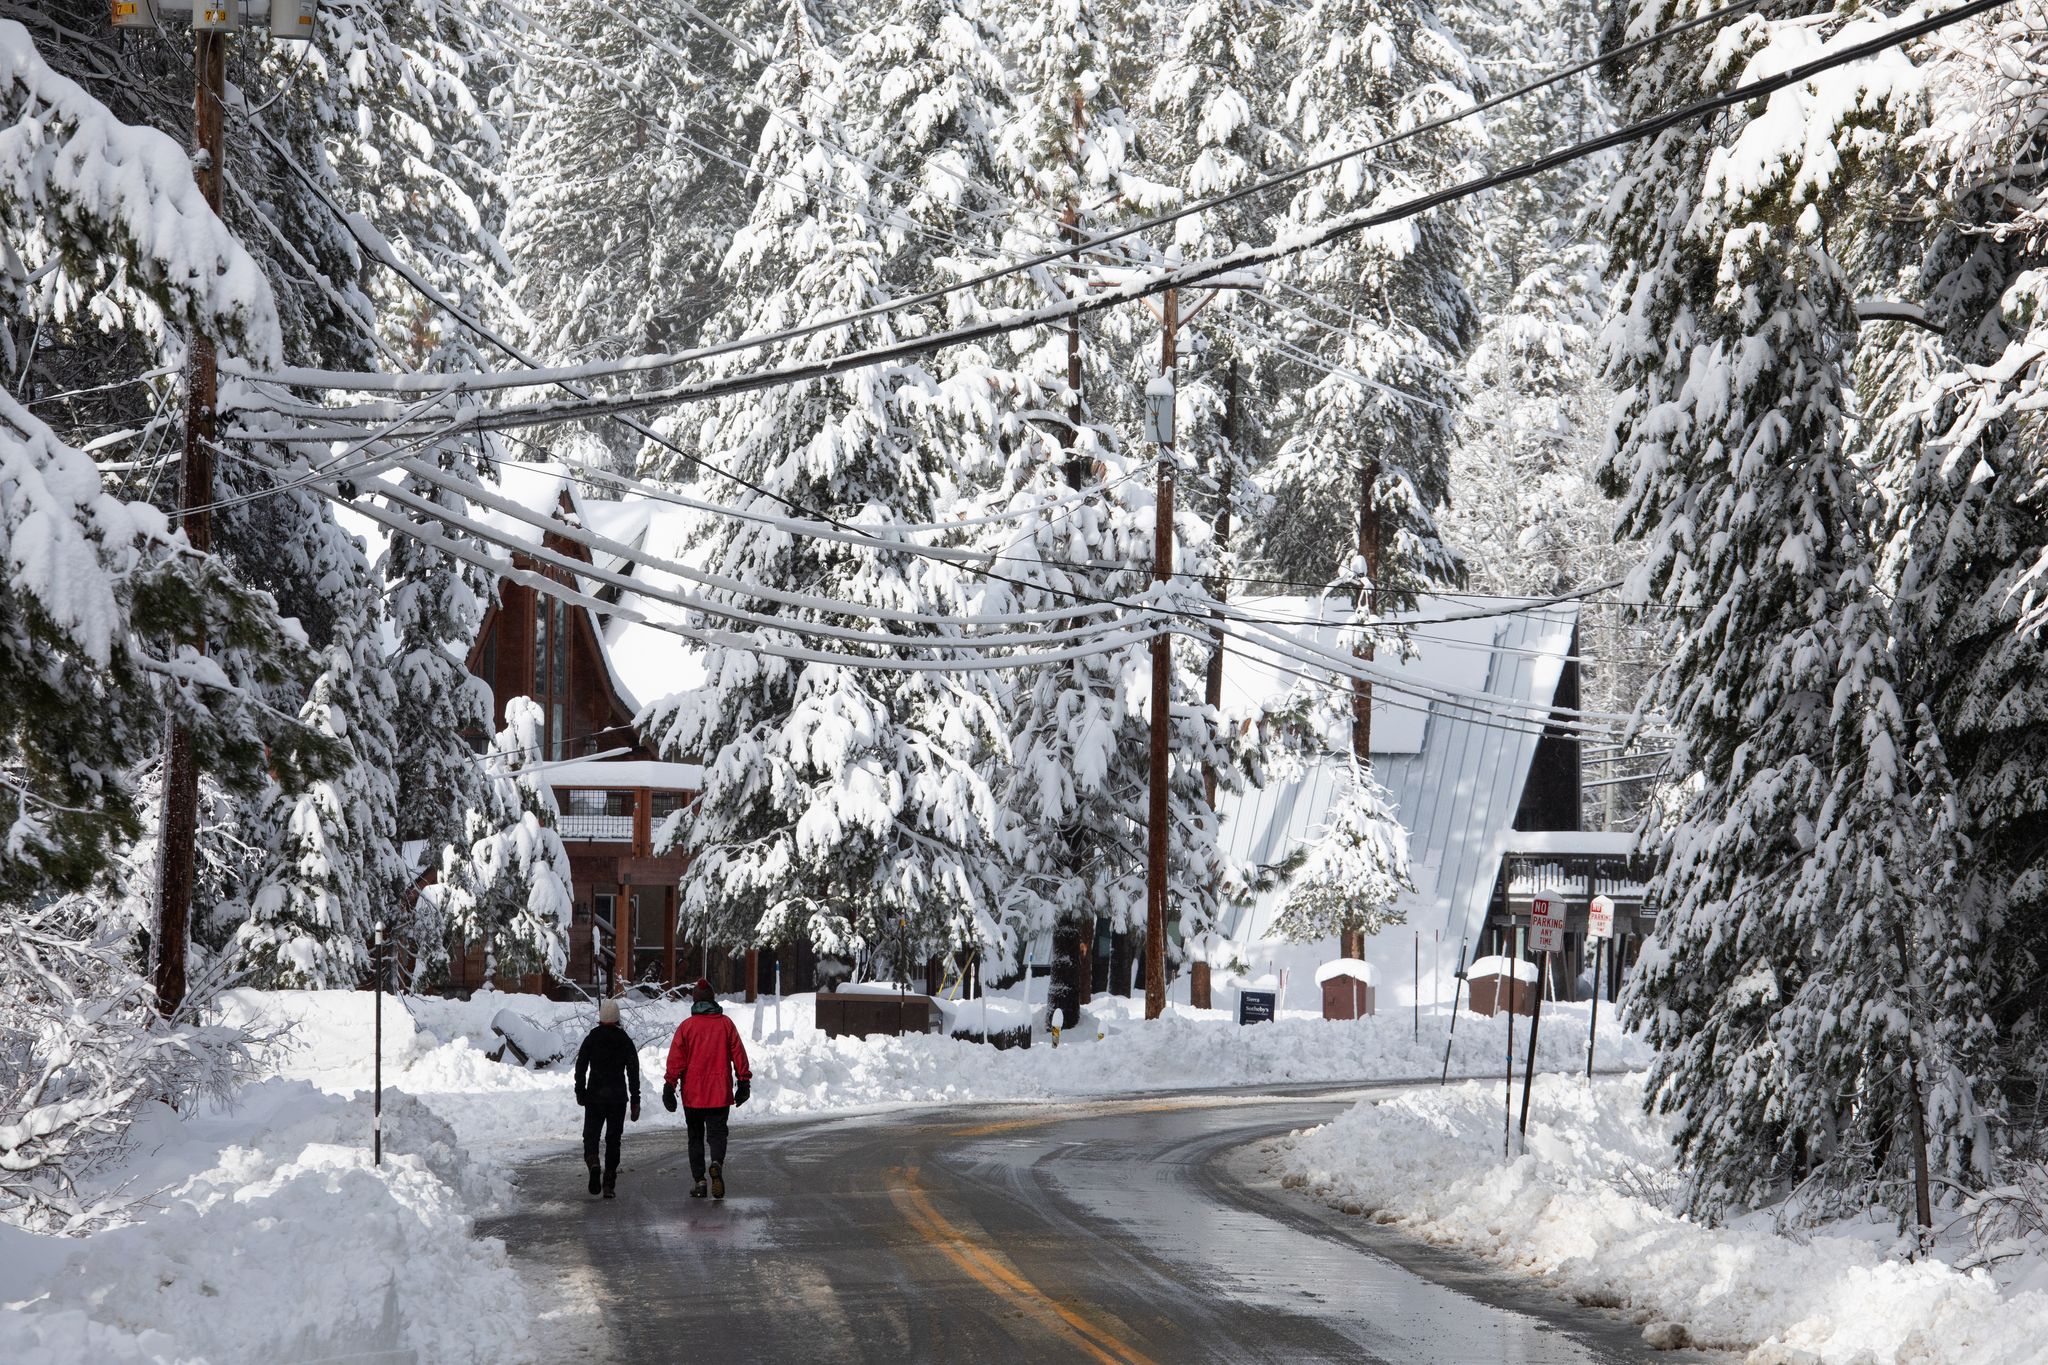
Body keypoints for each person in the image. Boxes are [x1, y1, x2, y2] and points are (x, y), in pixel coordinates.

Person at [662, 978, 751, 1199]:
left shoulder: (686, 1027)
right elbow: (738, 1054)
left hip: (692, 1095)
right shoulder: (725, 1024)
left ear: (695, 1001)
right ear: (713, 999)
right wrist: (743, 1081)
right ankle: (716, 1163)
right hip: (719, 1093)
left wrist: (669, 1086)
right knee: (718, 1134)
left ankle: (700, 1181)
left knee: (695, 1137)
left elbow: (676, 1060)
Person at [574, 997, 640, 1199]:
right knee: (613, 1140)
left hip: (595, 1096)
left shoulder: (592, 1038)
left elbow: (581, 1065)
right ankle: (609, 1183)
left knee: (591, 1136)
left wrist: (580, 1089)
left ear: (601, 1017)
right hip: (617, 1099)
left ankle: (594, 1162)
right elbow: (633, 1071)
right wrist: (635, 1098)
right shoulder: (624, 1040)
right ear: (618, 1018)